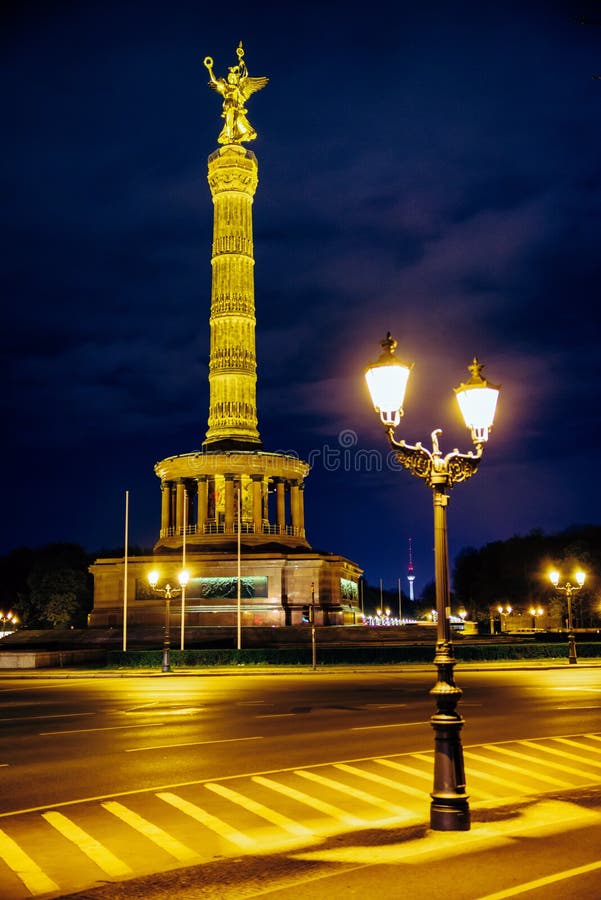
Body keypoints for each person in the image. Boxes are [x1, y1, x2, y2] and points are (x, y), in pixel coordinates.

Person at [204, 42, 268, 145]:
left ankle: (235, 139)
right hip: (229, 107)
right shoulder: (225, 87)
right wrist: (210, 69)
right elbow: (215, 81)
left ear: (235, 79)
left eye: (233, 77)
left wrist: (241, 61)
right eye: (229, 77)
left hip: (237, 108)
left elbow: (244, 75)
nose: (231, 78)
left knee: (239, 123)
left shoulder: (239, 88)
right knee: (229, 123)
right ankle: (231, 138)